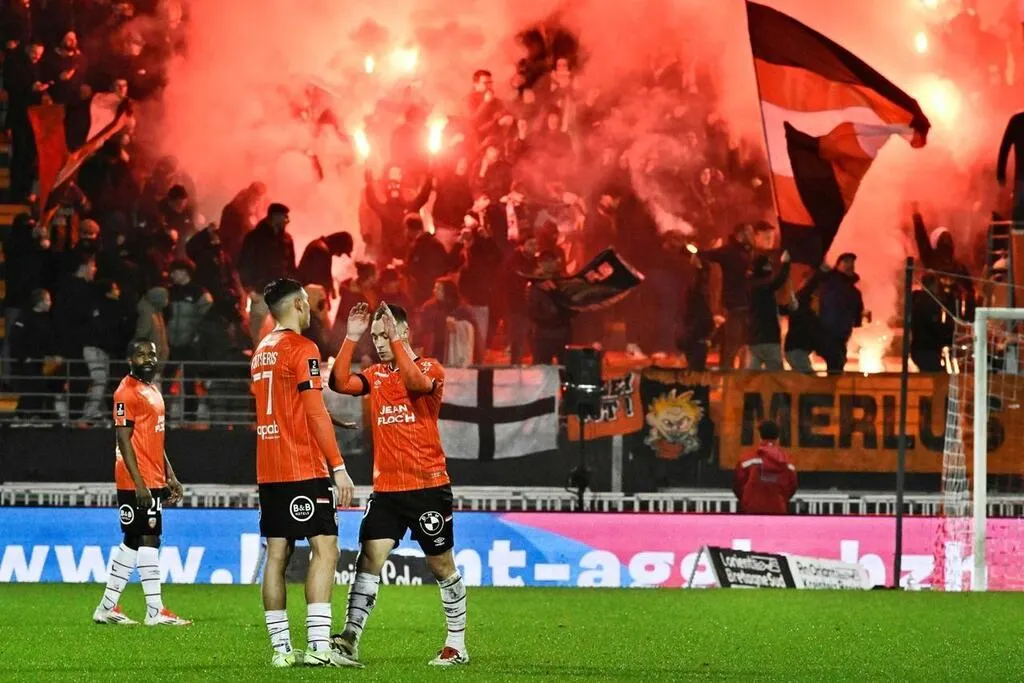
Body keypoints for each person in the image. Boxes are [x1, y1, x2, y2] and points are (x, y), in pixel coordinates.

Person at [329, 302, 469, 667]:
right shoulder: (374, 375)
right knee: (368, 560)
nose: (378, 342)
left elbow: (415, 384)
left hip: (427, 486)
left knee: (442, 566)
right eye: (374, 336)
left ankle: (456, 645)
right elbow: (339, 382)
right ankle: (350, 638)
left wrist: (396, 342)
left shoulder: (429, 367)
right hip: (387, 491)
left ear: (404, 331)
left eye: (384, 332)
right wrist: (351, 337)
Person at [250, 278, 358, 669]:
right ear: (298, 303)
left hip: (269, 468)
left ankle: (281, 651)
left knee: (276, 553)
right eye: (310, 303)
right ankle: (318, 646)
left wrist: (330, 419)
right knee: (325, 547)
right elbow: (310, 410)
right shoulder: (303, 347)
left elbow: (286, 406)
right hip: (302, 466)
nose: (312, 309)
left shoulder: (262, 350)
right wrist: (339, 468)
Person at [92, 340, 190, 626]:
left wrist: (170, 474)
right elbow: (123, 439)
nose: (147, 358)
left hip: (153, 475)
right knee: (149, 538)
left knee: (133, 540)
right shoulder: (126, 392)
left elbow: (155, 438)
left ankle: (107, 607)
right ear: (129, 359)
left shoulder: (152, 389)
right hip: (136, 479)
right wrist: (139, 483)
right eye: (140, 354)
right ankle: (155, 610)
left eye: (152, 354)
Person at [733, 421, 797, 515]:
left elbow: (738, 484)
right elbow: (792, 486)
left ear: (759, 435)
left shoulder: (747, 458)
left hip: (750, 510)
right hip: (778, 509)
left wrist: (747, 500)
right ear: (778, 437)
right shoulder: (787, 460)